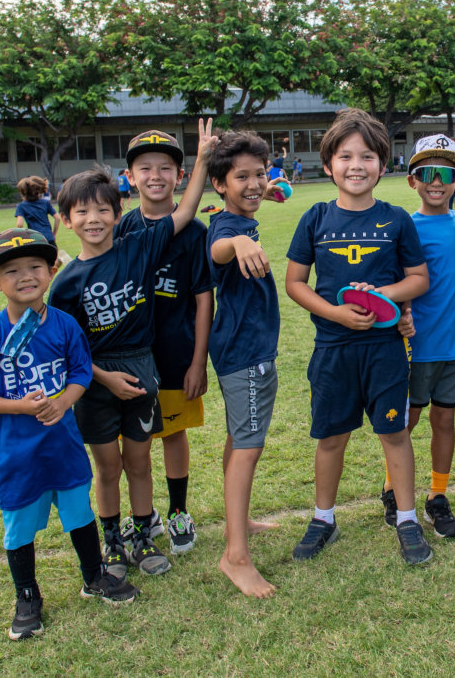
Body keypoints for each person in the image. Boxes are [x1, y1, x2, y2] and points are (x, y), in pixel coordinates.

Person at [47, 119, 214, 581]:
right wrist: (101, 378)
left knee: (140, 459)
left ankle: (146, 533)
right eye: (81, 213)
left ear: (116, 216)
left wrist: (201, 158)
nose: (93, 220)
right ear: (66, 220)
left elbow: (183, 215)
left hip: (148, 367)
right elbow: (68, 348)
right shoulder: (67, 285)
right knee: (107, 467)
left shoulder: (139, 246)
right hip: (98, 379)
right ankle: (113, 541)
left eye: (102, 211)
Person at [0, 228, 140, 641]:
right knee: (19, 525)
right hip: (17, 455)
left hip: (64, 447)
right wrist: (23, 406)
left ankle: (94, 577)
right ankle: (27, 595)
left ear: (52, 270)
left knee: (79, 512)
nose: (25, 276)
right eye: (11, 270)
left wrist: (63, 401)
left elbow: (79, 373)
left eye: (35, 266)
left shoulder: (64, 325)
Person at [285, 108, 432, 565]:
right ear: (328, 164)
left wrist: (381, 297)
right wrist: (336, 313)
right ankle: (323, 519)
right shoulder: (315, 218)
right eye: (345, 156)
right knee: (331, 437)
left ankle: (407, 519)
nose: (356, 165)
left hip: (385, 350)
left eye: (366, 156)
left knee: (395, 433)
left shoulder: (396, 220)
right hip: (332, 349)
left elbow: (419, 278)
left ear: (382, 165)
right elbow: (294, 283)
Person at [114, 130, 214, 557]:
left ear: (180, 175)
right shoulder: (122, 227)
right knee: (134, 441)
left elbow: (203, 299)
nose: (155, 176)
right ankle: (144, 517)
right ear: (130, 176)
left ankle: (177, 511)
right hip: (130, 358)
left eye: (165, 167)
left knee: (173, 434)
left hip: (175, 355)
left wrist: (198, 362)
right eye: (145, 168)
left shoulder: (195, 231)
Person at [381, 134, 455, 539]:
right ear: (412, 180)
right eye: (427, 173)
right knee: (408, 421)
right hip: (418, 347)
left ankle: (437, 496)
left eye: (447, 174)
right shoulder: (406, 227)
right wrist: (401, 313)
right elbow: (396, 280)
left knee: (446, 419)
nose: (437, 181)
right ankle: (391, 488)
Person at [206, 130, 285, 596]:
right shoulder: (227, 228)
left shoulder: (241, 218)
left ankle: (241, 522)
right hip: (244, 354)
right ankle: (235, 556)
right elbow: (218, 246)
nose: (254, 183)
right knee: (249, 445)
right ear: (219, 183)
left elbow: (239, 218)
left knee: (239, 438)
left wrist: (263, 193)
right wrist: (237, 244)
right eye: (242, 177)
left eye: (260, 174)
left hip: (245, 348)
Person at [15, 176, 61, 253]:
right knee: (52, 263)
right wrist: (53, 234)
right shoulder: (45, 203)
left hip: (34, 240)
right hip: (49, 238)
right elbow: (57, 218)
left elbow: (20, 224)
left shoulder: (21, 206)